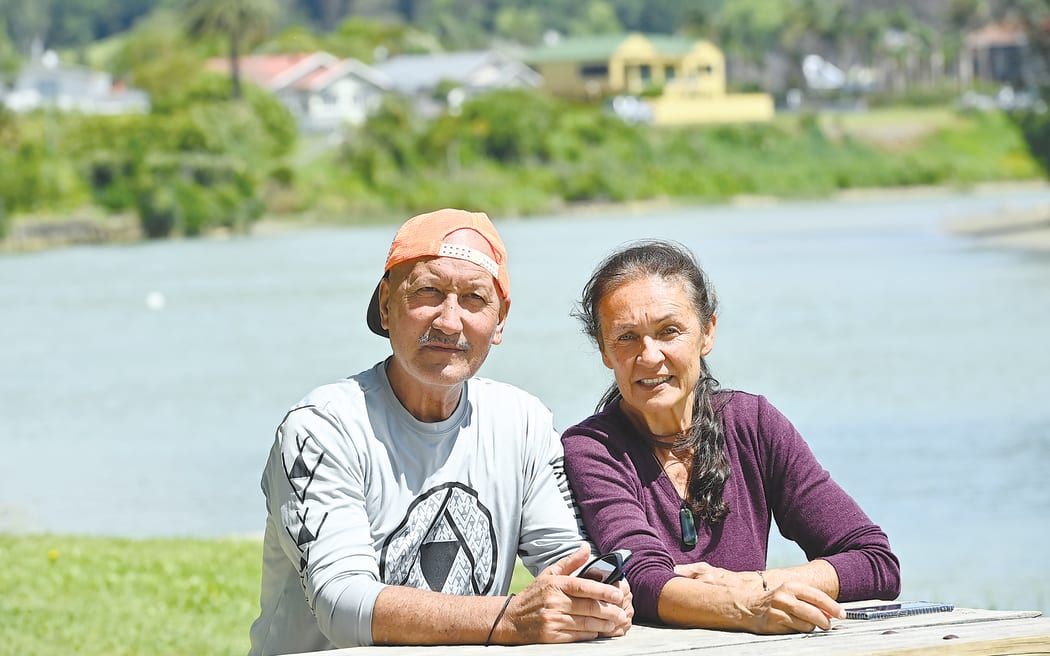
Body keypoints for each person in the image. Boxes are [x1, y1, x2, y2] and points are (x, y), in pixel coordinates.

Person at [248, 209, 632, 655]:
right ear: (387, 304)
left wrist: (596, 594)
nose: (450, 321)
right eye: (428, 291)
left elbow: (566, 559)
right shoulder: (321, 428)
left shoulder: (522, 422)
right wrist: (507, 619)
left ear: (501, 319)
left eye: (474, 299)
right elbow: (342, 605)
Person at [561, 240, 900, 635]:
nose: (650, 356)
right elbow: (642, 578)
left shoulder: (752, 423)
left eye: (669, 331)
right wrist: (747, 609)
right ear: (603, 350)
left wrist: (754, 584)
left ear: (707, 332)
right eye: (627, 337)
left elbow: (876, 562)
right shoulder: (592, 448)